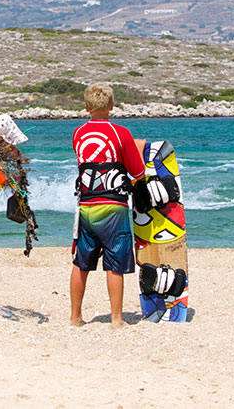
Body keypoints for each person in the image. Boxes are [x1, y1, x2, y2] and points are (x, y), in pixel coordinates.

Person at [69, 83, 146, 328]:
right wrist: (139, 148)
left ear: (86, 107)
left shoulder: (78, 133)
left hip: (86, 205)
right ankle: (116, 319)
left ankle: (75, 318)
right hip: (113, 206)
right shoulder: (121, 133)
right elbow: (137, 173)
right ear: (112, 106)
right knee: (114, 262)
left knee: (81, 263)